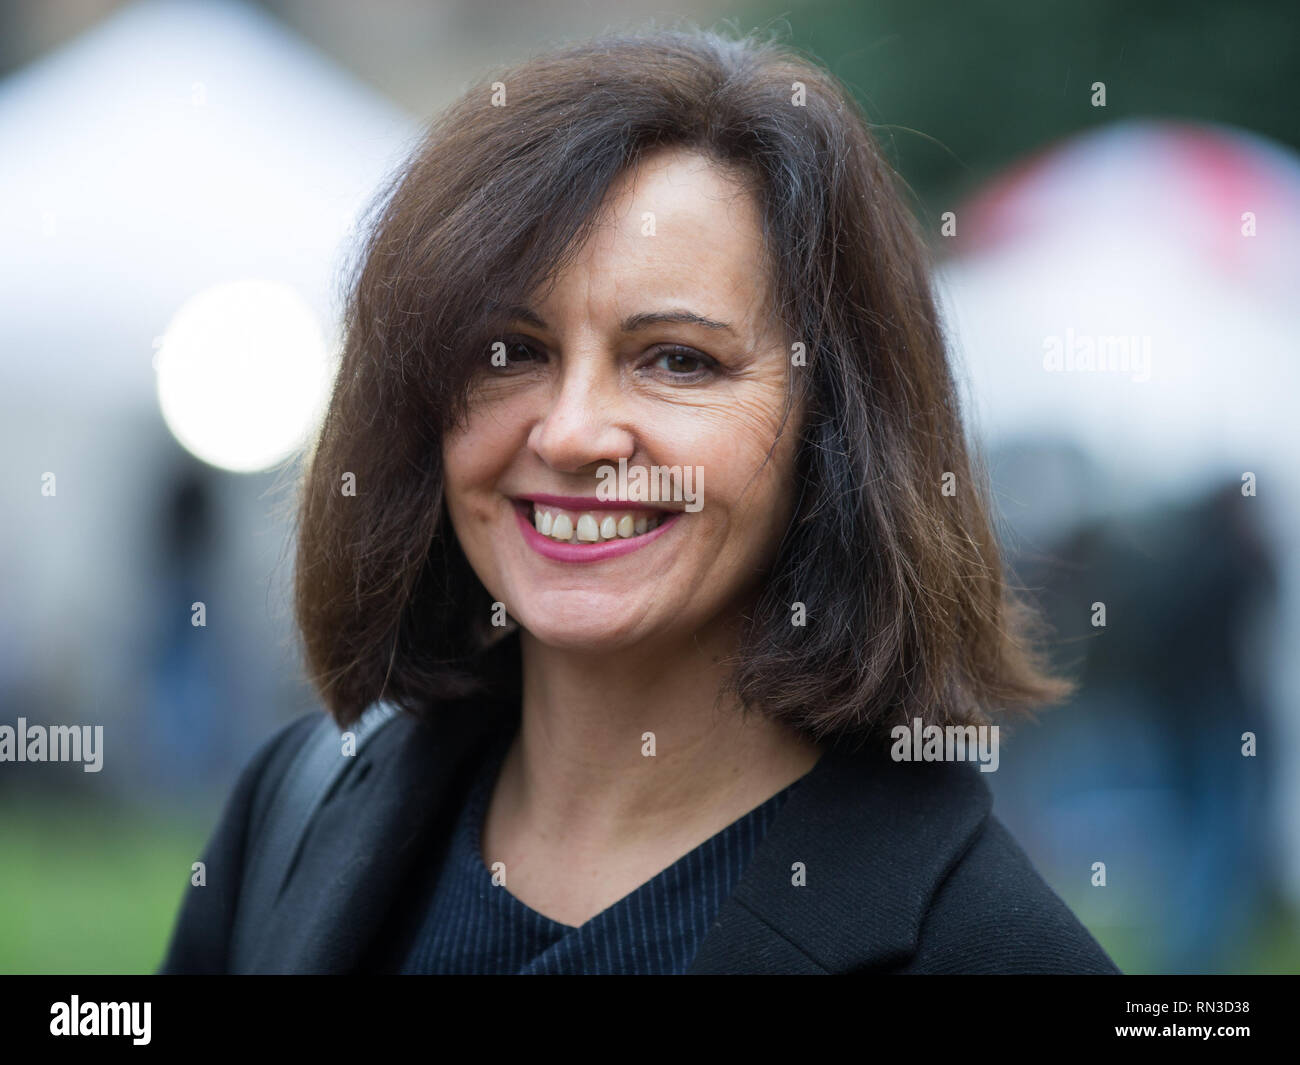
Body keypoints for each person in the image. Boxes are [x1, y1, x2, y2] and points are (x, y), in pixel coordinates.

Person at [159, 25, 1120, 974]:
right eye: (513, 352)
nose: (574, 432)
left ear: (837, 428)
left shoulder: (987, 949)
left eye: (677, 360)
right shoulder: (297, 817)